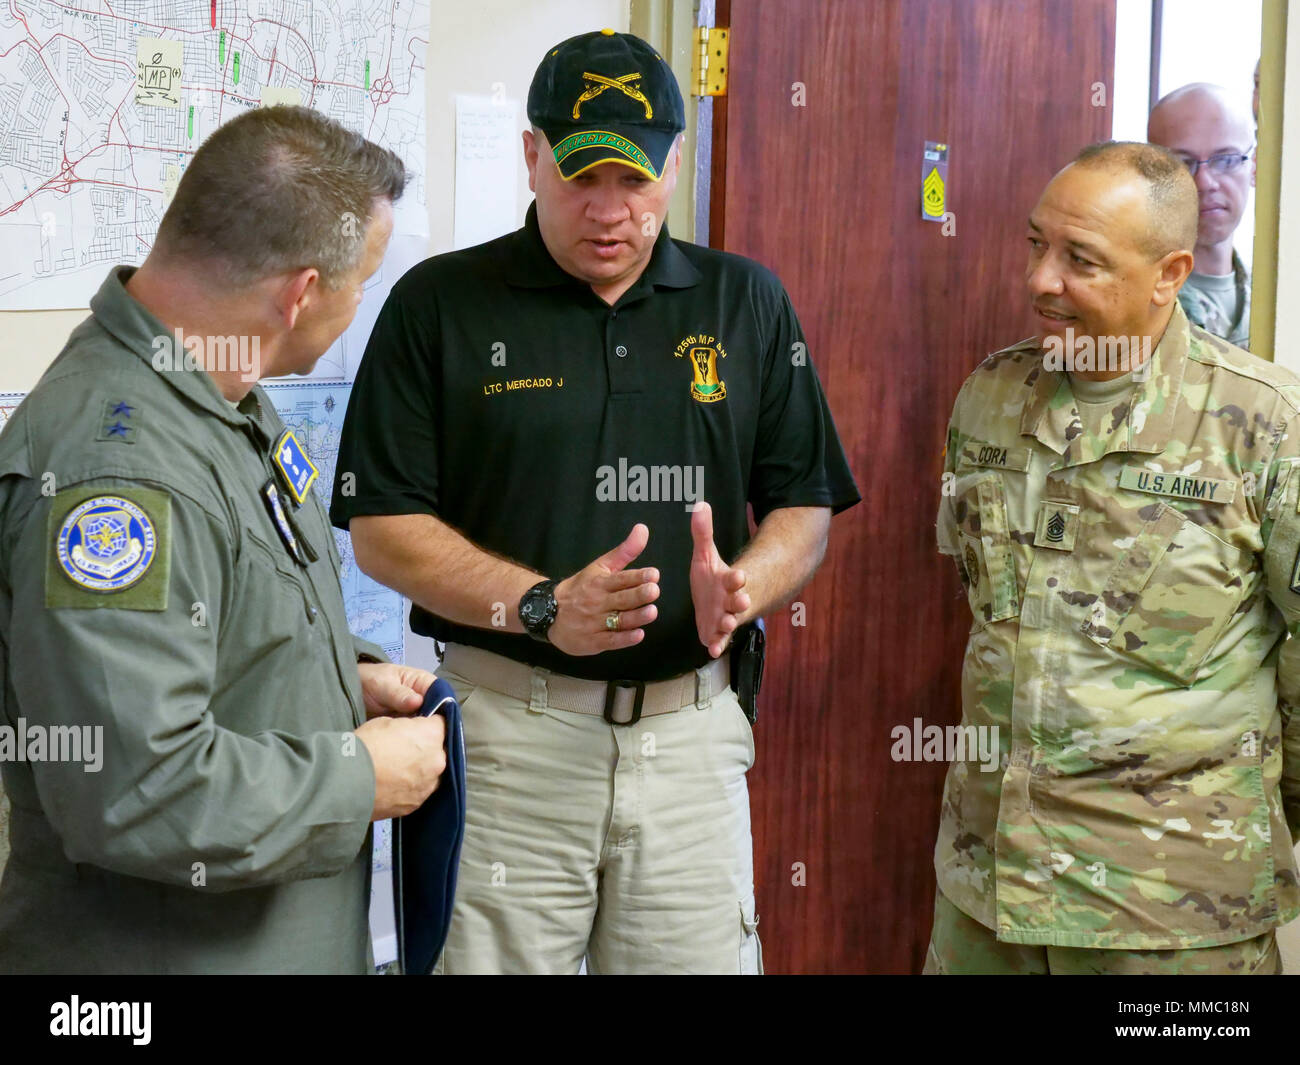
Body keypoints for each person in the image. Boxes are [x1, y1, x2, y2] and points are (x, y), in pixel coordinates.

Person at [331, 29, 859, 974]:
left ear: (675, 162)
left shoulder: (747, 302)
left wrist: (744, 584)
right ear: (531, 156)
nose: (610, 212)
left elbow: (805, 504)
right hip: (509, 745)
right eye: (581, 177)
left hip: (691, 748)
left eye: (636, 179)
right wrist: (541, 605)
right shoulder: (439, 304)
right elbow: (382, 530)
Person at [0, 106, 447, 974]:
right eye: (362, 282)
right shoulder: (121, 472)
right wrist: (360, 779)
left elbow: (216, 620)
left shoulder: (215, 393)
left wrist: (334, 679)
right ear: (301, 293)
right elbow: (133, 788)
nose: (361, 304)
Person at [927, 140, 1300, 974]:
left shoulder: (1266, 425)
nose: (1039, 281)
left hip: (1169, 918)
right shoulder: (990, 397)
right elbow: (986, 611)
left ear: (1169, 273)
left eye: (1079, 260)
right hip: (987, 896)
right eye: (1036, 245)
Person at [1148, 83, 1255, 348]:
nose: (1205, 182)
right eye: (1183, 163)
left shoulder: (1280, 299)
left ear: (1253, 167)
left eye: (1226, 159)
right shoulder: (1131, 298)